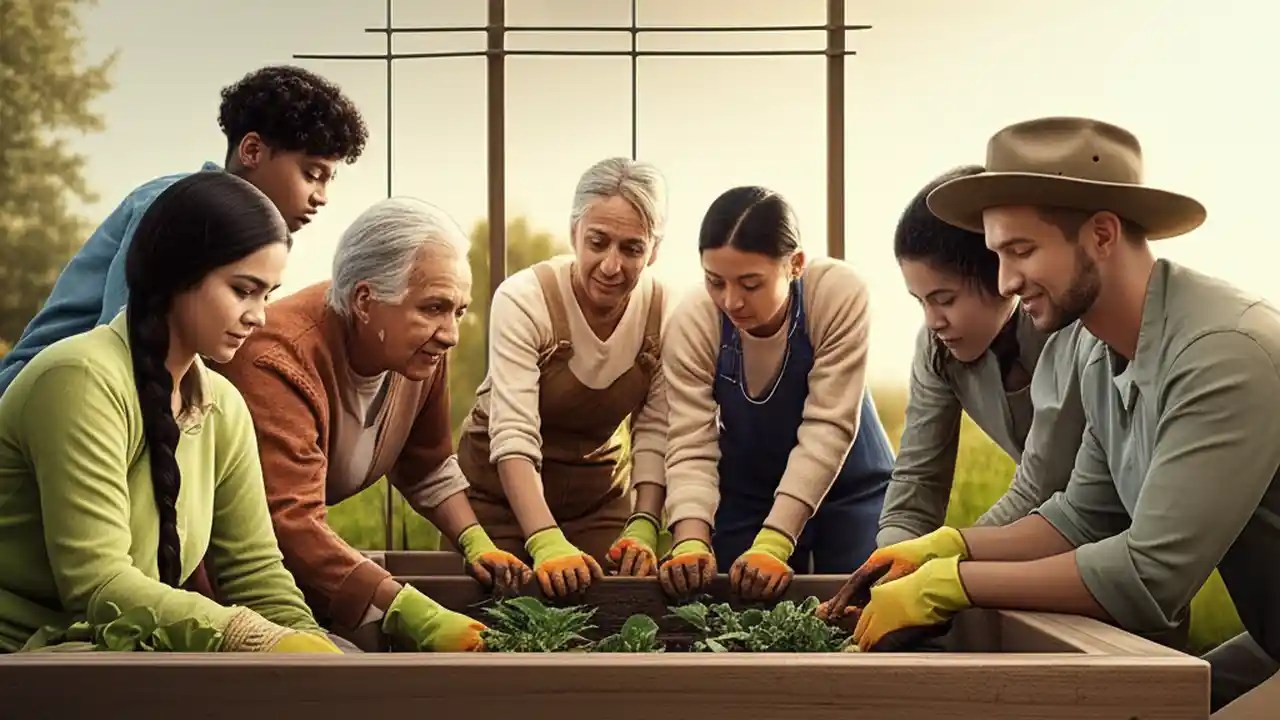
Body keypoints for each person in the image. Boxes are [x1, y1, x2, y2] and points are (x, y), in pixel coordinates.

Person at [821, 116, 1280, 713]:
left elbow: (1150, 573)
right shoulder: (1100, 352)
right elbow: (1080, 516)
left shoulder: (1222, 353)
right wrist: (947, 547)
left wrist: (954, 583)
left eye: (1021, 251)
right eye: (997, 255)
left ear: (1102, 235)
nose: (1006, 281)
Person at [0, 171, 341, 654]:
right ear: (177, 276)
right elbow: (99, 587)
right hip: (26, 661)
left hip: (118, 659)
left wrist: (314, 650)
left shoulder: (223, 406)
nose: (259, 316)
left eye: (267, 294)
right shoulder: (79, 379)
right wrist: (254, 638)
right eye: (243, 290)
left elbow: (255, 573)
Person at [214, 196, 516, 652]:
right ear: (364, 301)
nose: (451, 334)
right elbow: (289, 521)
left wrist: (476, 541)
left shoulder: (418, 353)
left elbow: (426, 466)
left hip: (302, 562)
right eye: (433, 308)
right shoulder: (275, 359)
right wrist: (413, 612)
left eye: (458, 311)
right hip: (232, 576)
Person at [0, 64, 368, 397]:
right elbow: (124, 347)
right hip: (42, 399)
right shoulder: (174, 208)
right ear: (253, 150)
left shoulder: (250, 243)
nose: (321, 197)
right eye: (312, 174)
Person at [657, 186, 896, 603]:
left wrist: (775, 540)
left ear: (795, 265)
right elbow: (690, 440)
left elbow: (828, 425)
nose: (731, 301)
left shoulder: (836, 293)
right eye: (715, 281)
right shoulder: (693, 321)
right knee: (729, 610)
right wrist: (691, 538)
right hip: (747, 493)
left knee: (861, 604)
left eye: (750, 284)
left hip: (851, 485)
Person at [457, 157, 672, 600]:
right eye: (598, 242)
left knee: (613, 617)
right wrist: (544, 540)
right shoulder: (525, 299)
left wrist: (644, 523)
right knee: (500, 618)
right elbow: (513, 434)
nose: (611, 266)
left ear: (654, 250)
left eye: (632, 249)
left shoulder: (666, 312)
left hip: (598, 502)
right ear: (575, 232)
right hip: (498, 500)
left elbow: (656, 433)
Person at [877, 165, 1091, 547]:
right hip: (1047, 531)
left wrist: (944, 556)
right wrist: (891, 557)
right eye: (921, 301)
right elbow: (917, 483)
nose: (933, 321)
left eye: (945, 299)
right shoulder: (937, 350)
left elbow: (1041, 485)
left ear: (1001, 272)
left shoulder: (1068, 329)